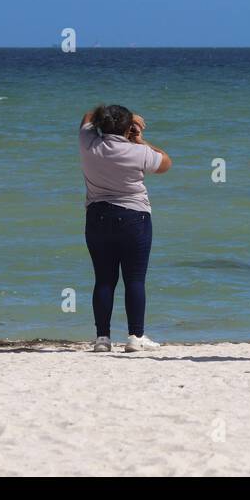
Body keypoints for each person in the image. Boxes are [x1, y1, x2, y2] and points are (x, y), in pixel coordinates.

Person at [78, 104, 171, 353]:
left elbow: (88, 115)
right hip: (134, 217)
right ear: (128, 128)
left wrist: (115, 117)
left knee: (104, 279)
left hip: (98, 216)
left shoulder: (89, 143)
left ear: (102, 123)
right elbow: (165, 163)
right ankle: (135, 336)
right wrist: (140, 139)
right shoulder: (138, 152)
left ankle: (102, 338)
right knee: (135, 280)